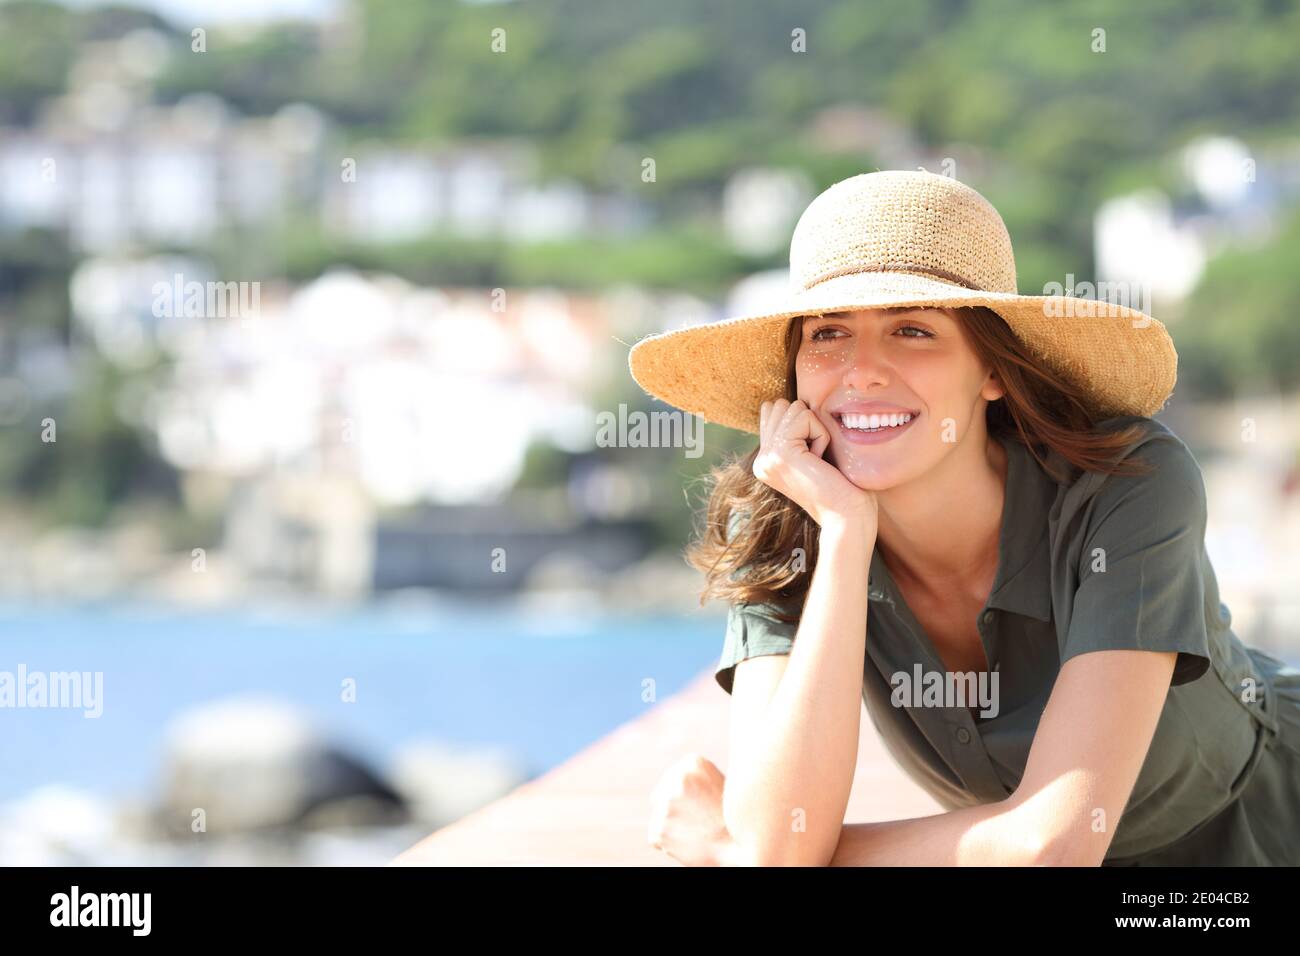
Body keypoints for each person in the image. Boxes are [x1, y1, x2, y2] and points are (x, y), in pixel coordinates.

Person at [632, 170, 1300, 866]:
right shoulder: (785, 527)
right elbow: (779, 843)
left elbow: (1053, 845)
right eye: (827, 334)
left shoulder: (1127, 485)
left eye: (912, 330)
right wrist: (844, 537)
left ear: (993, 371)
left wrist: (740, 852)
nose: (860, 371)